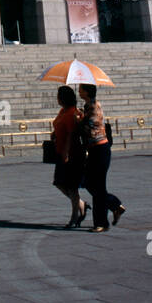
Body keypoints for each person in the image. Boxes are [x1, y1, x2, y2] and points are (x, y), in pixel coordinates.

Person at [79, 83, 126, 232]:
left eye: (81, 88)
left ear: (86, 92)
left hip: (100, 149)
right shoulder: (88, 106)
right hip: (94, 150)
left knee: (98, 186)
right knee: (89, 183)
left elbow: (91, 124)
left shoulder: (93, 106)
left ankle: (101, 223)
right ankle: (114, 205)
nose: (79, 90)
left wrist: (79, 120)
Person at [52, 86, 87, 228]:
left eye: (59, 96)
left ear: (63, 98)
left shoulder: (73, 113)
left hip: (71, 154)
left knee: (72, 187)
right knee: (59, 183)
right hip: (60, 152)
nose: (57, 98)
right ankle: (81, 204)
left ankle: (75, 216)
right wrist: (54, 133)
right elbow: (58, 125)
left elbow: (71, 136)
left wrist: (66, 153)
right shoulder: (63, 111)